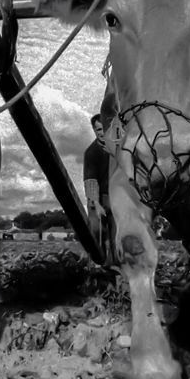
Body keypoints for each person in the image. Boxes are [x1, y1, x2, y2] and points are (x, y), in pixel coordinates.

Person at [83, 113, 114, 266]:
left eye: (104, 129)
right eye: (98, 130)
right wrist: (96, 203)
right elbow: (90, 180)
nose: (101, 133)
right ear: (94, 131)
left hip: (115, 197)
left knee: (117, 233)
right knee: (96, 230)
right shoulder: (91, 152)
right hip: (97, 197)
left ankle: (114, 264)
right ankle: (96, 265)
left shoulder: (117, 149)